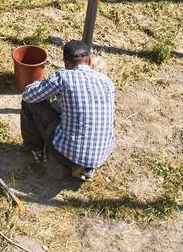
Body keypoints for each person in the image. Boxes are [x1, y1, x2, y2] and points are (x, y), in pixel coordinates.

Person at [20, 39, 116, 182]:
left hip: (68, 155)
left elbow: (29, 95)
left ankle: (37, 151)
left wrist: (41, 84)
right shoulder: (106, 81)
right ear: (90, 59)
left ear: (65, 63)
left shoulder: (63, 77)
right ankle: (87, 168)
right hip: (101, 155)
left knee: (30, 103)